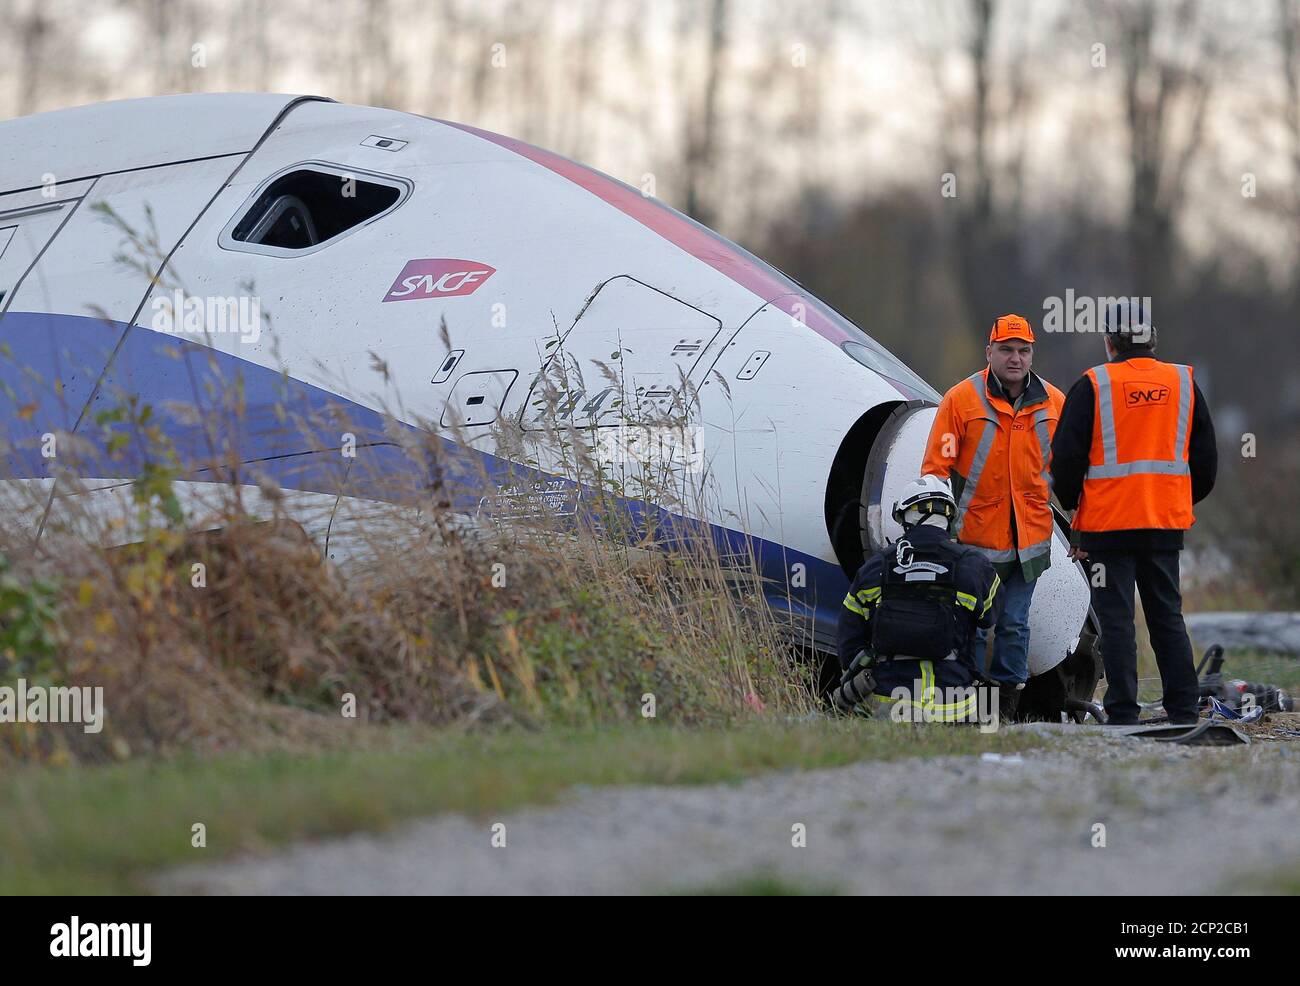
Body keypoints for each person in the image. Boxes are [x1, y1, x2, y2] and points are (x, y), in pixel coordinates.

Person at [1049, 300, 1217, 725]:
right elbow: (1207, 464)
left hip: (1107, 530)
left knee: (1117, 622)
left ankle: (1123, 713)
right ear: (1153, 340)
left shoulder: (1093, 385)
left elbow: (1065, 462)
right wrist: (1172, 499)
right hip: (1163, 528)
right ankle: (1183, 708)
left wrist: (1073, 508)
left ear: (1109, 342)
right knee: (1167, 617)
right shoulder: (1184, 383)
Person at [921, 314, 1065, 719]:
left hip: (1029, 542)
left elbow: (1073, 473)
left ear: (1032, 354)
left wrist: (1083, 526)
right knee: (973, 627)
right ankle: (968, 707)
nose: (1015, 358)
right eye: (1006, 350)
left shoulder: (1055, 404)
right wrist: (933, 530)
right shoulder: (960, 400)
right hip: (974, 542)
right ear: (990, 353)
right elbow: (935, 468)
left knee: (1015, 626)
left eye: (1023, 350)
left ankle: (1004, 709)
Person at [834, 475, 1000, 721]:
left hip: (888, 707)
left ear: (905, 518)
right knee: (987, 700)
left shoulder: (876, 567)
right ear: (948, 518)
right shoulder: (973, 566)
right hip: (954, 708)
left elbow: (849, 640)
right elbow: (991, 617)